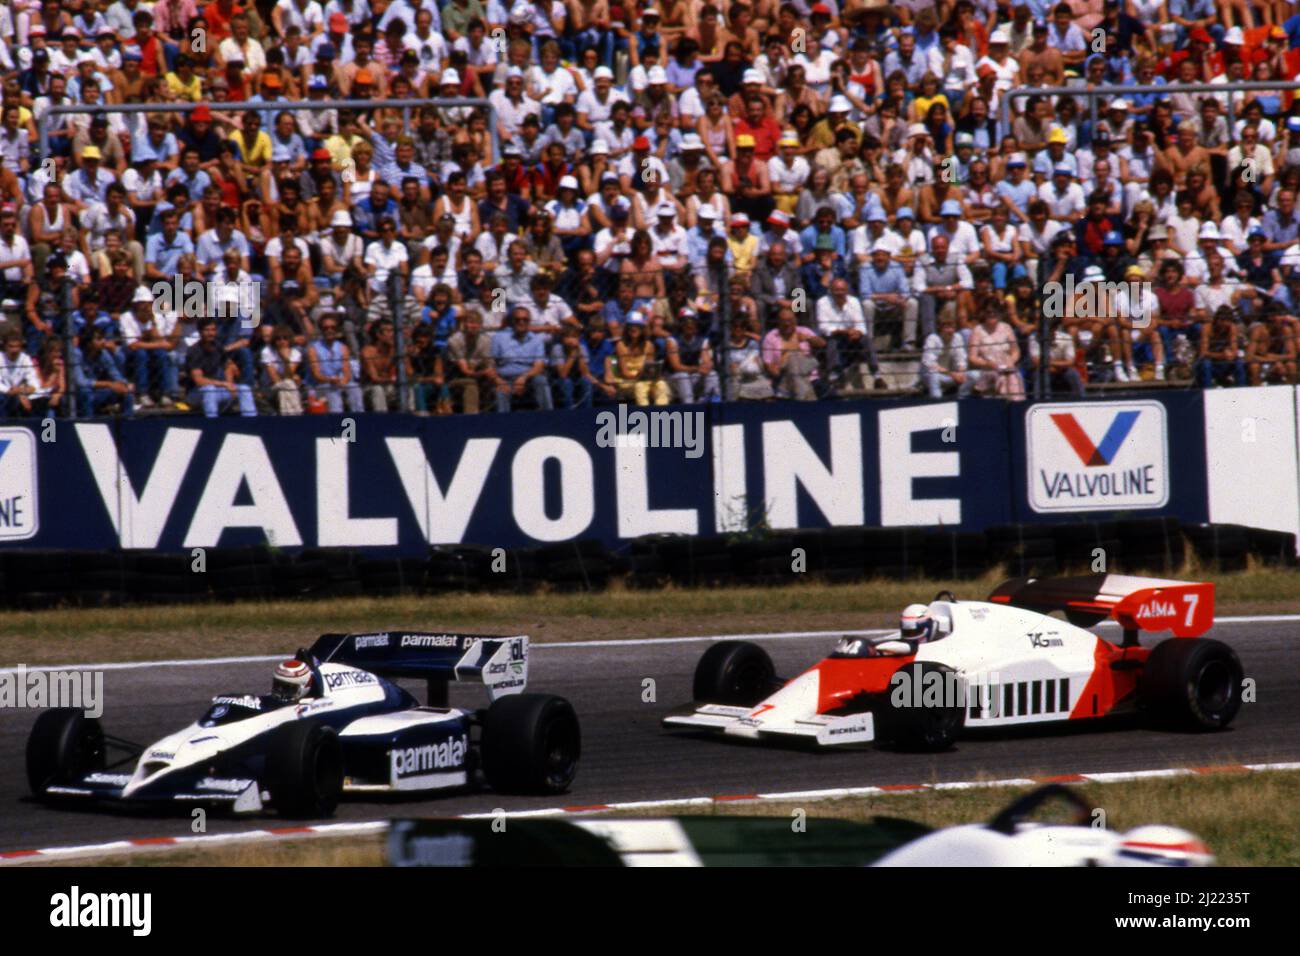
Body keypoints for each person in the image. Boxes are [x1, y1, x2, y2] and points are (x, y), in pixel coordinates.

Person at [186, 317, 256, 417]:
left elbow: (228, 366)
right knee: (209, 389)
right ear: (200, 331)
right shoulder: (194, 351)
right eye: (207, 330)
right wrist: (223, 384)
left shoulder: (218, 347)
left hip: (217, 389)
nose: (210, 333)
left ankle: (251, 422)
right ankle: (212, 425)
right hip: (196, 393)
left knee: (244, 389)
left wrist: (230, 384)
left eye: (213, 330)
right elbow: (199, 381)